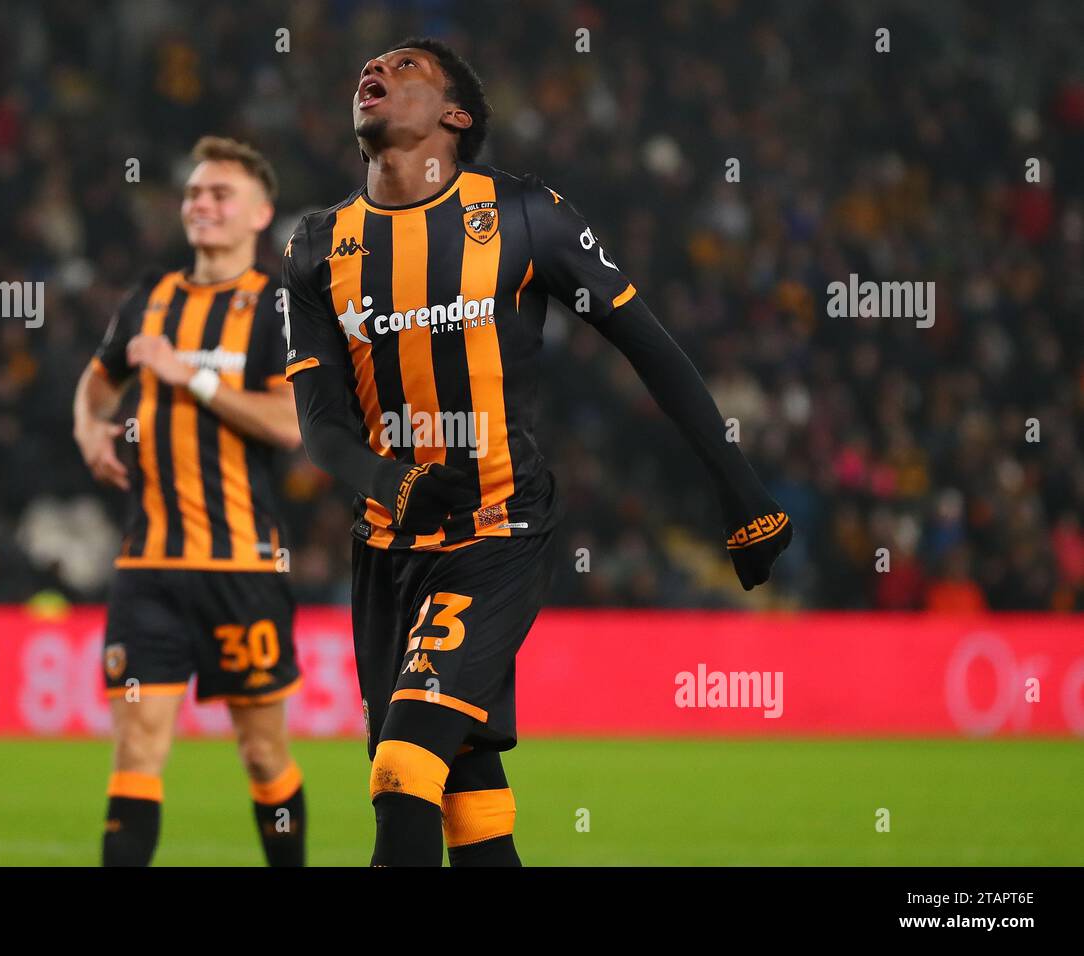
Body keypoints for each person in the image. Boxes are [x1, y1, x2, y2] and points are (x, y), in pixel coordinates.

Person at [283, 38, 792, 866]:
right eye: (370, 66)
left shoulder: (525, 215)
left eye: (405, 67)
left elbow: (650, 348)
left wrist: (741, 489)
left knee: (403, 770)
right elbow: (321, 426)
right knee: (471, 802)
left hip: (498, 532)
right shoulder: (315, 247)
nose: (374, 71)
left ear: (457, 116)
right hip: (385, 551)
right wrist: (392, 481)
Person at [73, 136, 306, 866]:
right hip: (149, 567)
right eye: (193, 195)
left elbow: (292, 424)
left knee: (263, 753)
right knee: (137, 746)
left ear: (260, 214)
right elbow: (98, 382)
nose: (201, 205)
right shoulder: (150, 297)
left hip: (242, 564)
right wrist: (88, 430)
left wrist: (188, 378)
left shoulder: (278, 307)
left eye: (219, 195)